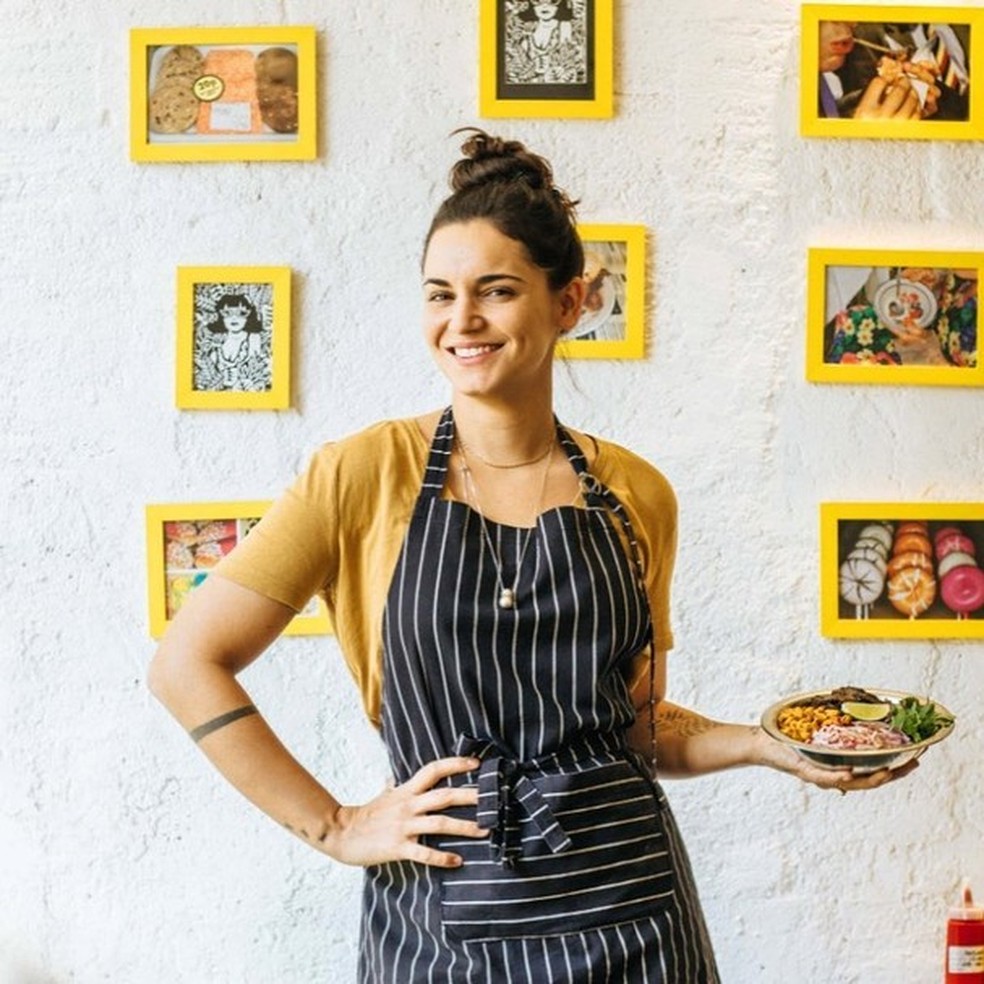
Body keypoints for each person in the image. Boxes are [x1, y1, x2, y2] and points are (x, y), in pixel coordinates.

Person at [148, 129, 914, 982]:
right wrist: (335, 826)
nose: (462, 320)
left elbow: (635, 725)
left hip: (634, 915)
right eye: (439, 294)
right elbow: (187, 663)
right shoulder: (360, 476)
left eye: (497, 290)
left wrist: (768, 743)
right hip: (441, 919)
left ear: (569, 301)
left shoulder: (635, 494)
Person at [825, 266, 978, 367]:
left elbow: (969, 396)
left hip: (939, 366)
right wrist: (934, 278)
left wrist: (930, 352)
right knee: (854, 320)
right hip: (929, 327)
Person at [195, 291, 270, 391]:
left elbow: (262, 369)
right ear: (220, 315)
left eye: (241, 313)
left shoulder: (254, 339)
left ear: (249, 316)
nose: (234, 318)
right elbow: (206, 370)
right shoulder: (215, 340)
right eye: (227, 313)